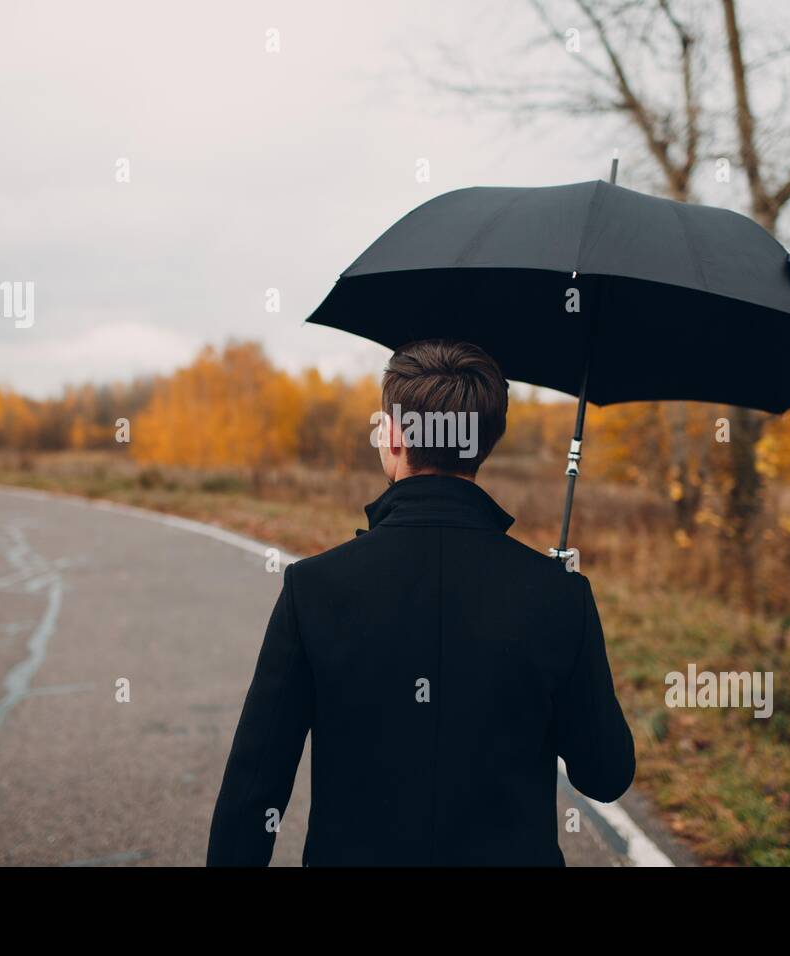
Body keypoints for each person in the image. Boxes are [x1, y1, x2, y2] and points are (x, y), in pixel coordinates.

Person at [205, 339, 635, 866]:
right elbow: (605, 774)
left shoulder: (313, 588)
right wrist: (565, 612)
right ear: (486, 442)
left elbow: (253, 792)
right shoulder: (558, 595)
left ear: (394, 435)